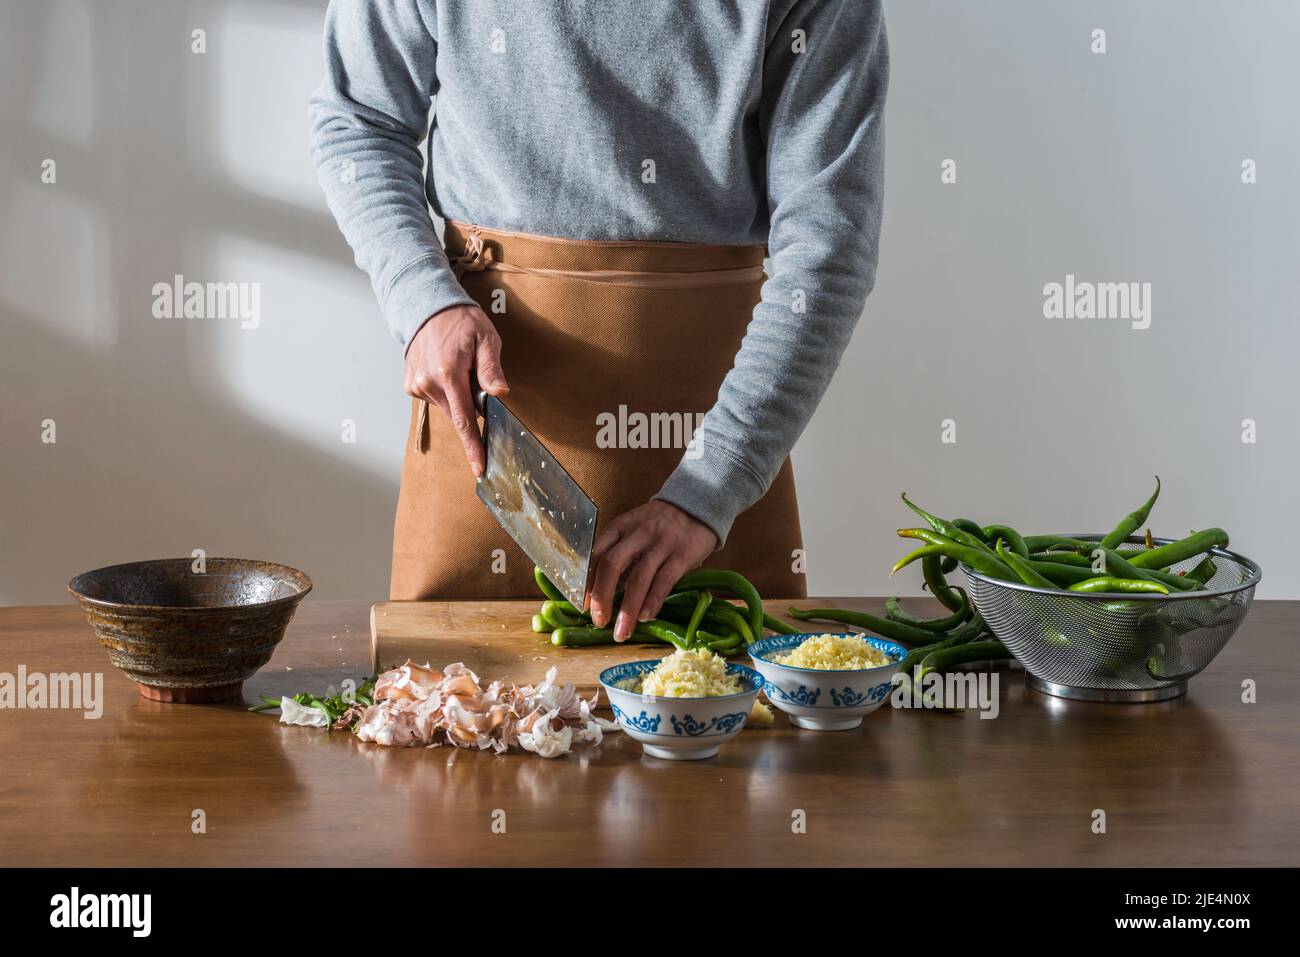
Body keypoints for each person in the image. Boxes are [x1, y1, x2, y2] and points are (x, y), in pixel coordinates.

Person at [310, 1, 888, 641]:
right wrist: (424, 299)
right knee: (449, 717)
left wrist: (709, 488)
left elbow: (829, 248)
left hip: (717, 428)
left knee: (741, 725)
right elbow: (359, 120)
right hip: (492, 422)